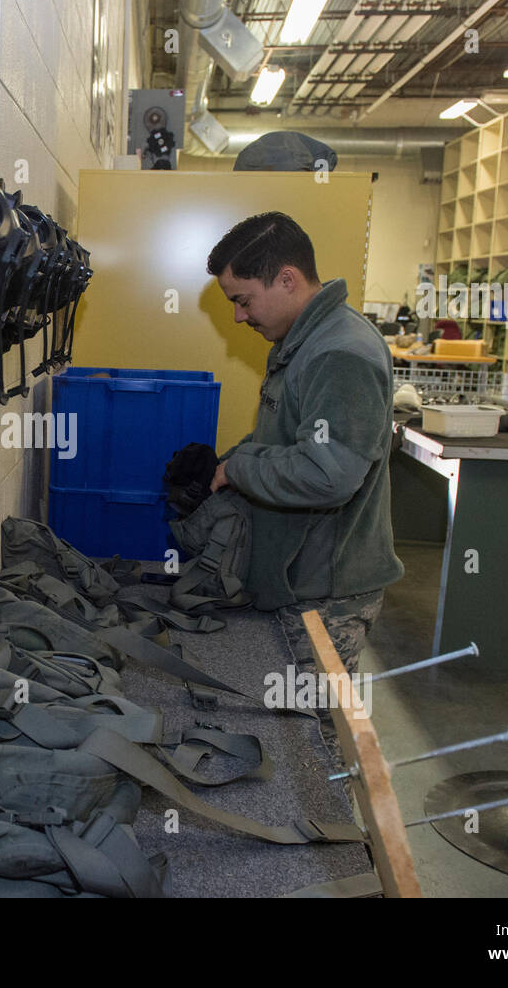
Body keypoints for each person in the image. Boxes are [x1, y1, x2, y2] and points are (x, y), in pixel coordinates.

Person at [205, 211, 403, 675]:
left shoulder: (340, 353)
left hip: (327, 595)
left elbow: (324, 475)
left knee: (314, 733)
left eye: (244, 300)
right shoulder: (304, 341)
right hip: (299, 580)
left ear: (287, 280)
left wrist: (239, 469)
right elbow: (286, 435)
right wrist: (232, 459)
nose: (238, 316)